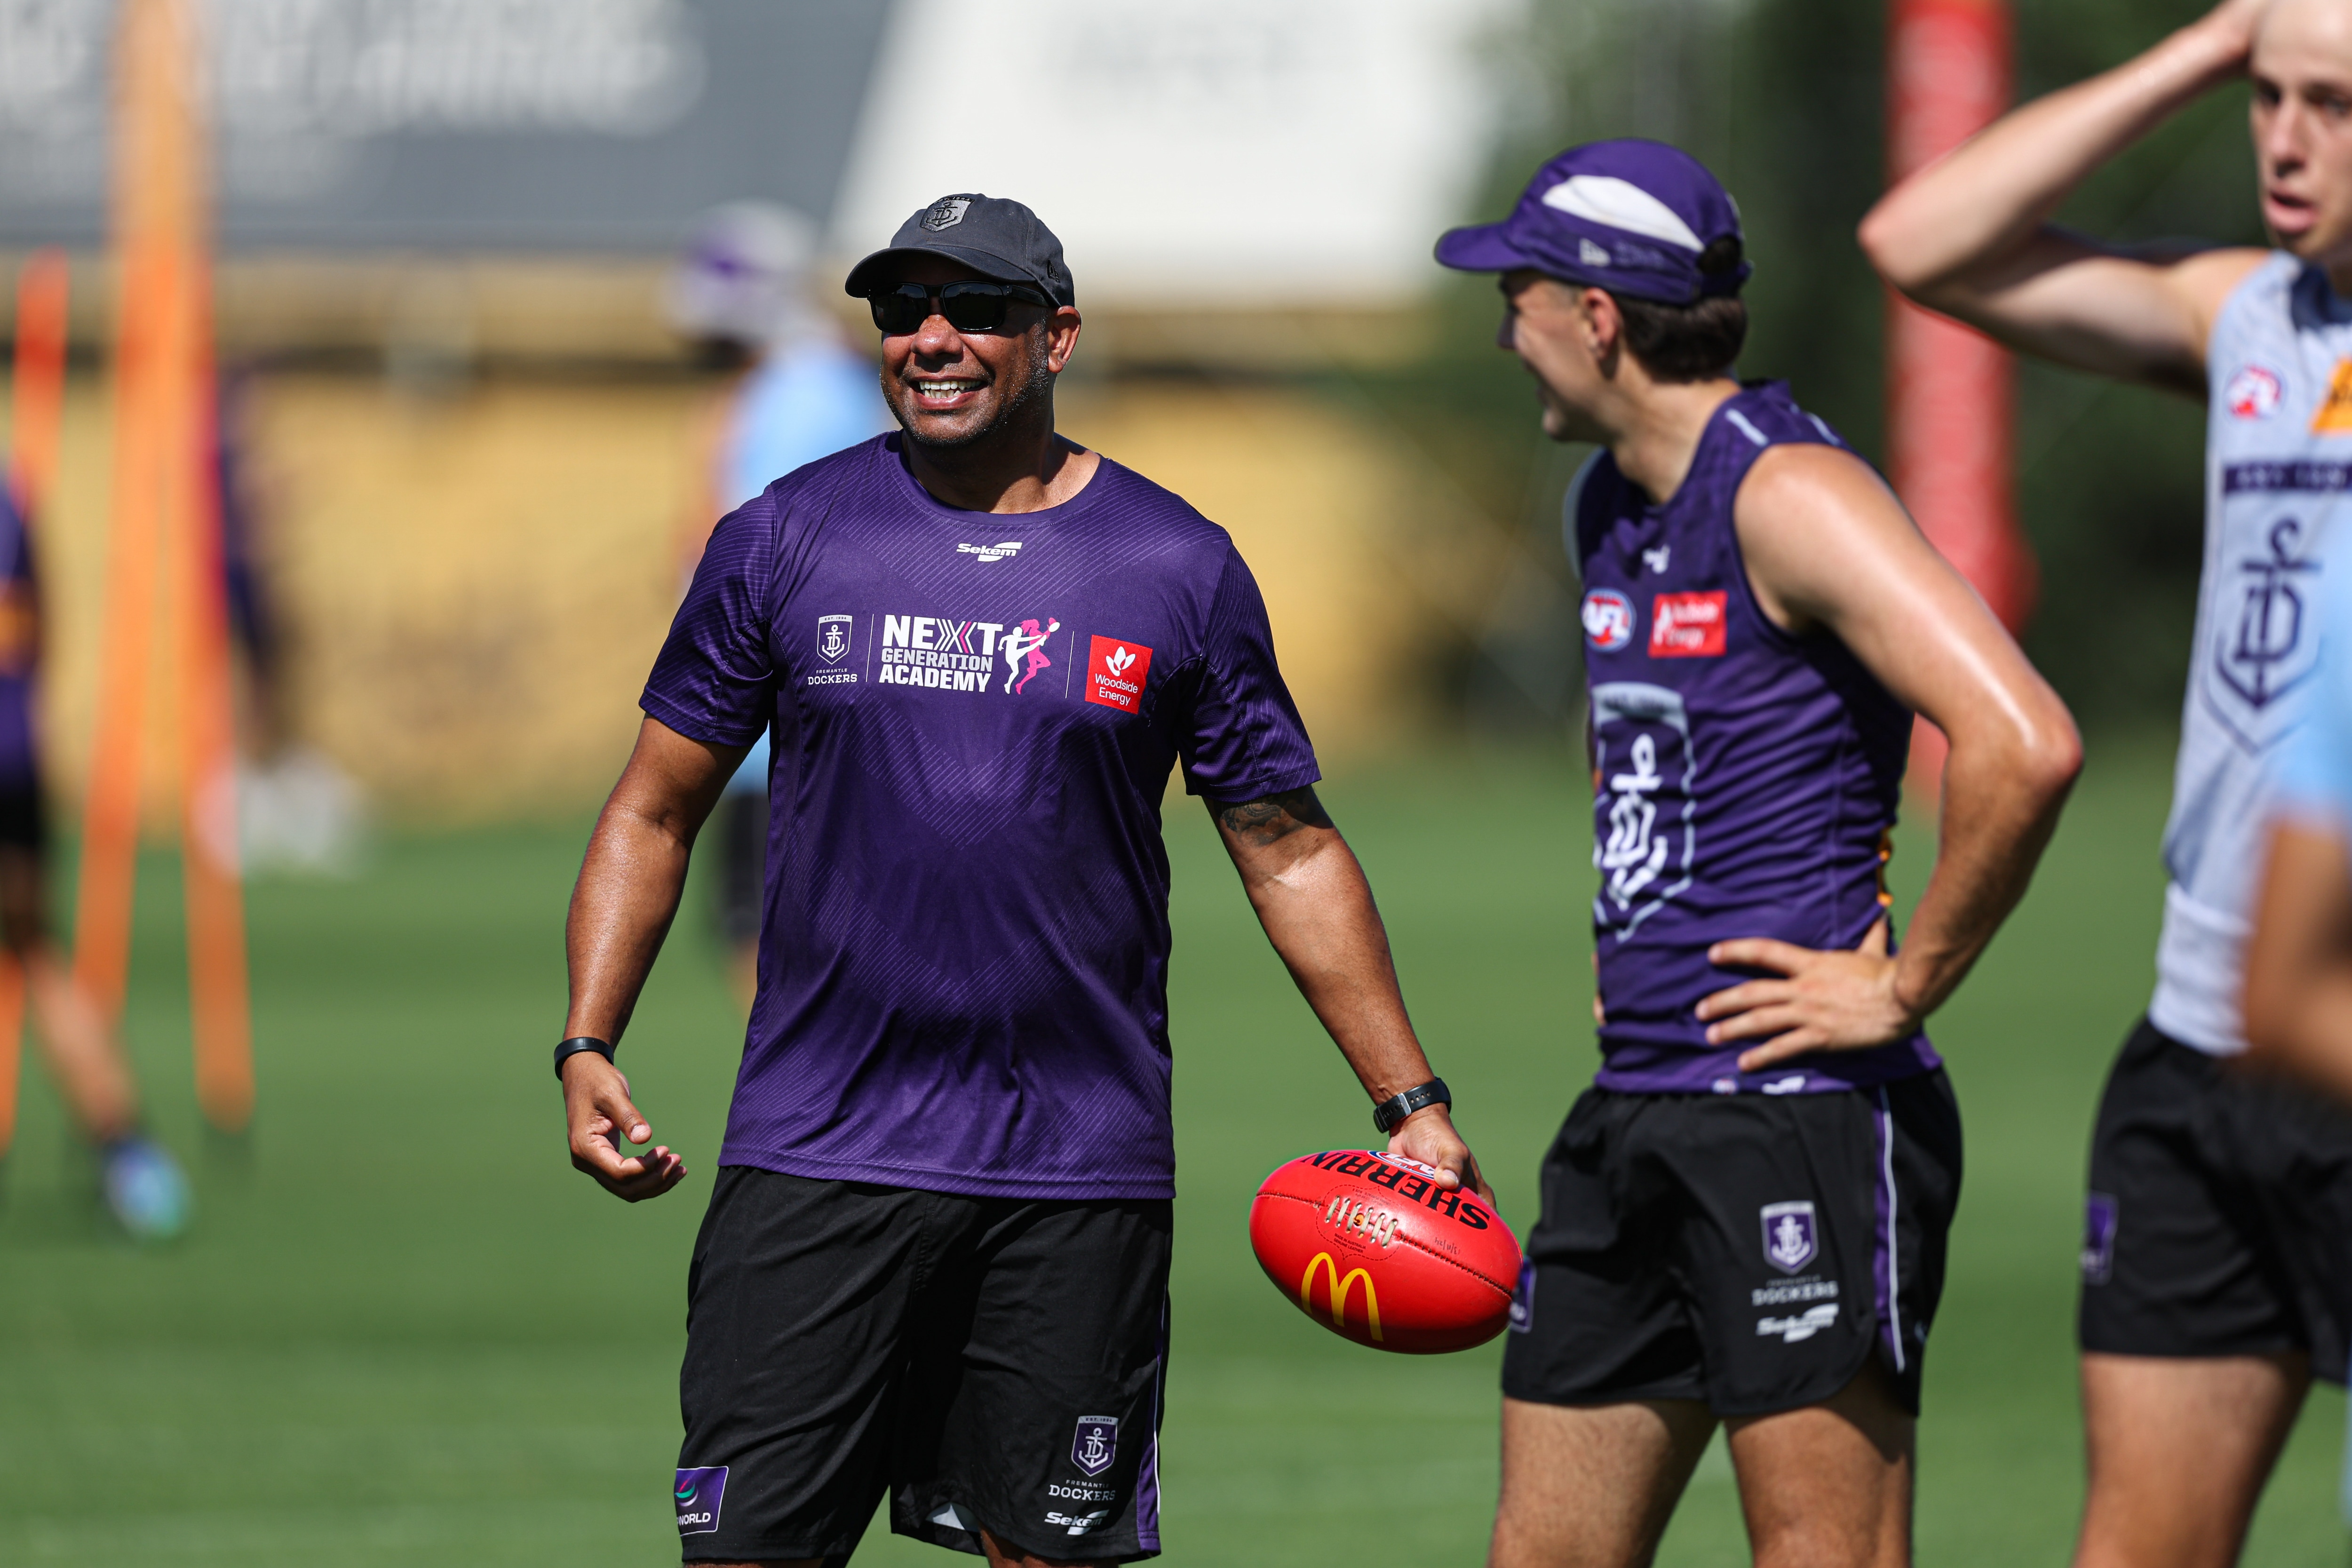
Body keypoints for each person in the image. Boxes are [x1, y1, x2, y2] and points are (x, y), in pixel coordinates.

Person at [556, 192, 1487, 1568]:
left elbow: (1286, 844)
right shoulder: (783, 539)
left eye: (974, 309)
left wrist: (1410, 1100)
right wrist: (589, 1039)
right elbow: (653, 806)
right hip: (820, 1153)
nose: (931, 339)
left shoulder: (1176, 565)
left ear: (1055, 336)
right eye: (902, 311)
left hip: (1075, 1171)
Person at [1438, 140, 2080, 1568]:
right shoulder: (1606, 501)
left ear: (1598, 317)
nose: (1505, 332)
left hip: (1801, 1110)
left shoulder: (1787, 494)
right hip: (1634, 1103)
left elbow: (2023, 738)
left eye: (1521, 297)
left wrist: (1905, 984)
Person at [1861, 1, 2352, 1560]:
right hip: (2202, 1040)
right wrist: (2206, 48)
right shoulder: (2254, 317)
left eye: (2332, 103)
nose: (2285, 138)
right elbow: (1922, 238)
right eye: (2269, 100)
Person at [664, 202, 894, 1004]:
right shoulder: (825, 385)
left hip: (787, 717)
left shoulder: (796, 397)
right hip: (808, 714)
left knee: (768, 934)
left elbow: (756, 551)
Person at [0, 484, 190, 1240]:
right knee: (36, 953)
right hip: (15, 755)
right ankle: (131, 1157)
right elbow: (44, 629)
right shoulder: (10, 493)